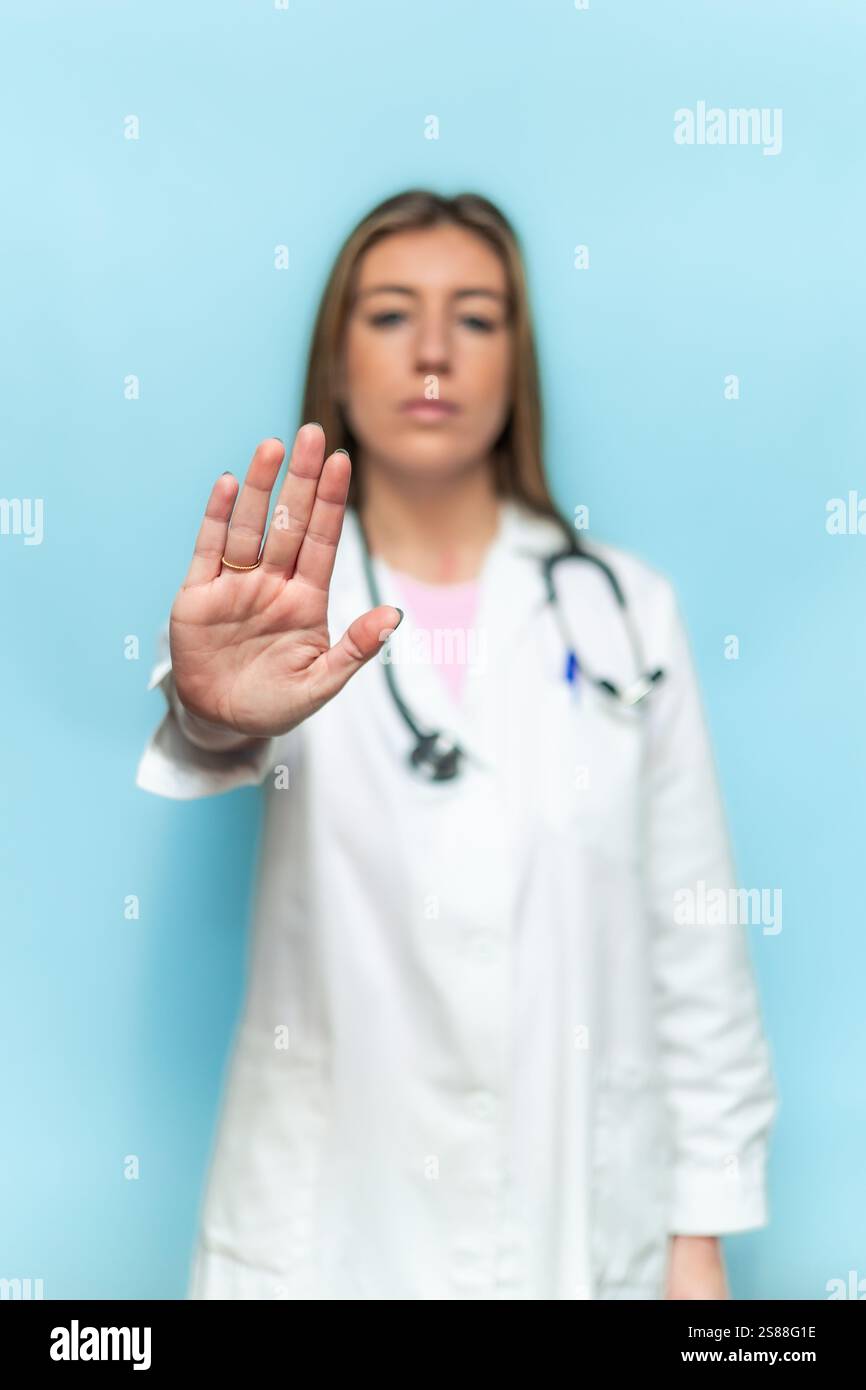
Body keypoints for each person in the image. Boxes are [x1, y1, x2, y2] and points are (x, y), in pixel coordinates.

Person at [136, 189, 778, 1300]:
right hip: (326, 1232)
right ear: (335, 360)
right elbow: (212, 732)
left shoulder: (625, 610)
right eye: (390, 315)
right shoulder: (279, 607)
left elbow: (696, 945)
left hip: (575, 1223)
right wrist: (216, 707)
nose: (432, 349)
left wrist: (700, 1233)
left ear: (513, 364)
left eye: (475, 318)